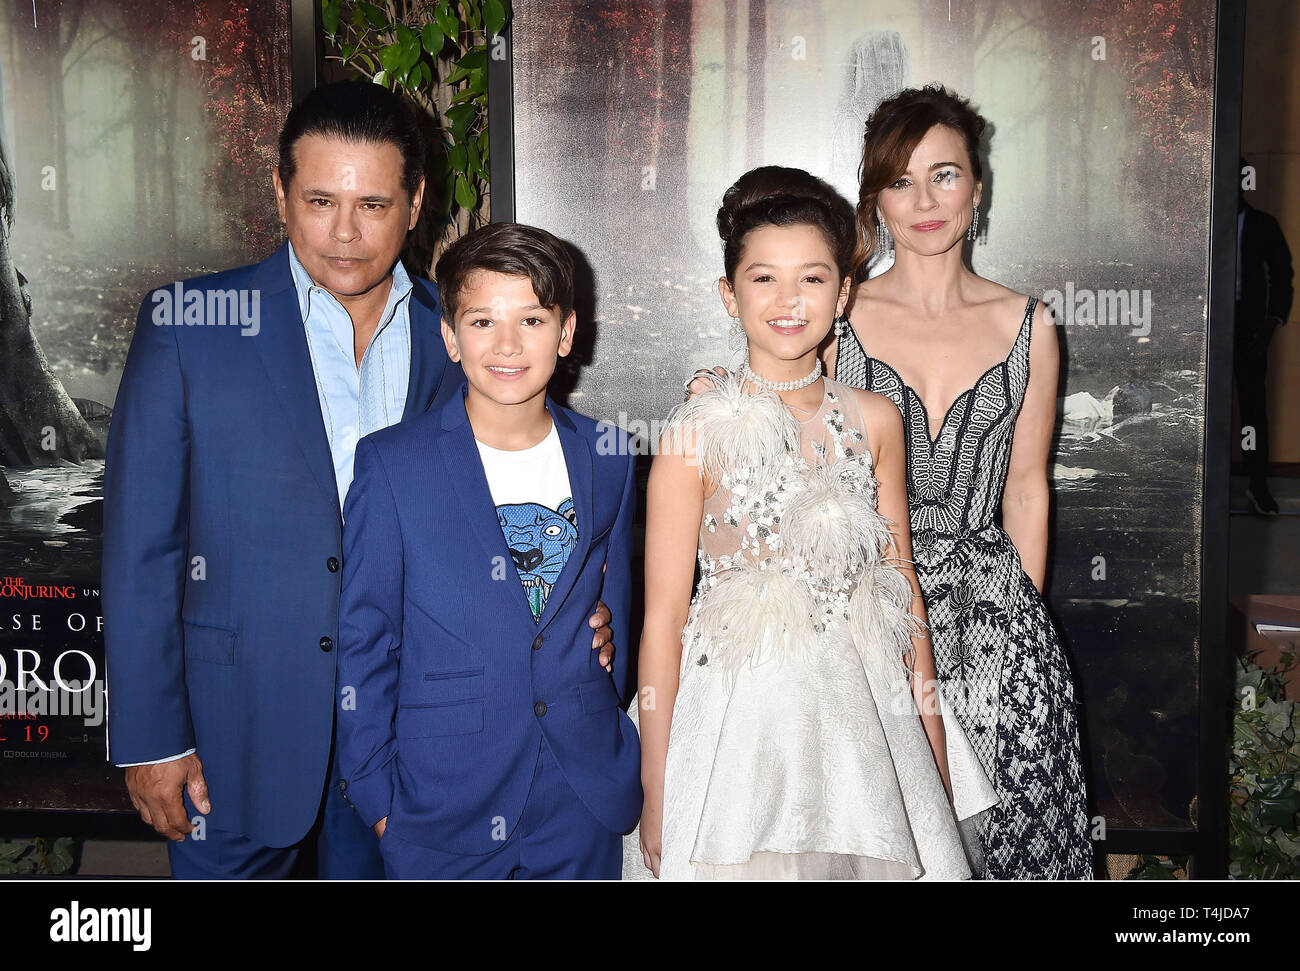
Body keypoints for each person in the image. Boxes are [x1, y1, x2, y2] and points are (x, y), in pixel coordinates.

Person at [102, 82, 616, 880]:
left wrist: (583, 611)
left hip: (420, 747)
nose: (345, 233)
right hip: (238, 732)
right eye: (319, 200)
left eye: (374, 204)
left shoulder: (466, 336)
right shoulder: (189, 327)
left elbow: (518, 501)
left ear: (415, 204)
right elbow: (140, 550)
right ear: (280, 193)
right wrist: (152, 736)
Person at [630, 166, 995, 880]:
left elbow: (900, 586)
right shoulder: (693, 432)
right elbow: (664, 618)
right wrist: (655, 785)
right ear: (729, 295)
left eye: (813, 279)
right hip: (737, 728)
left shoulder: (877, 419)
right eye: (764, 279)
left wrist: (932, 741)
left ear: (845, 292)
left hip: (867, 723)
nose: (789, 300)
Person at [826, 84, 1094, 878]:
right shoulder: (836, 321)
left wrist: (1020, 626)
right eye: (900, 181)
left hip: (997, 621)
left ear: (977, 186)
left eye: (944, 175)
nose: (924, 201)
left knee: (1011, 846)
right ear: (875, 197)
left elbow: (1026, 488)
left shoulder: (1030, 324)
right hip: (870, 613)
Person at [335, 222, 641, 879]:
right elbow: (366, 637)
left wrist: (606, 652)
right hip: (440, 803)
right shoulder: (393, 465)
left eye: (531, 319)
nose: (506, 344)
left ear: (565, 332)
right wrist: (377, 797)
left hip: (578, 795)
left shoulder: (610, 455)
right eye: (481, 321)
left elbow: (612, 607)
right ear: (449, 335)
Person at [1235, 160, 1293, 516]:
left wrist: (1270, 323)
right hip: (1213, 327)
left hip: (1250, 328)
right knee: (1204, 409)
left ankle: (1258, 484)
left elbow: (1282, 275)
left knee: (1254, 409)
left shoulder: (1262, 224)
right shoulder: (1205, 227)